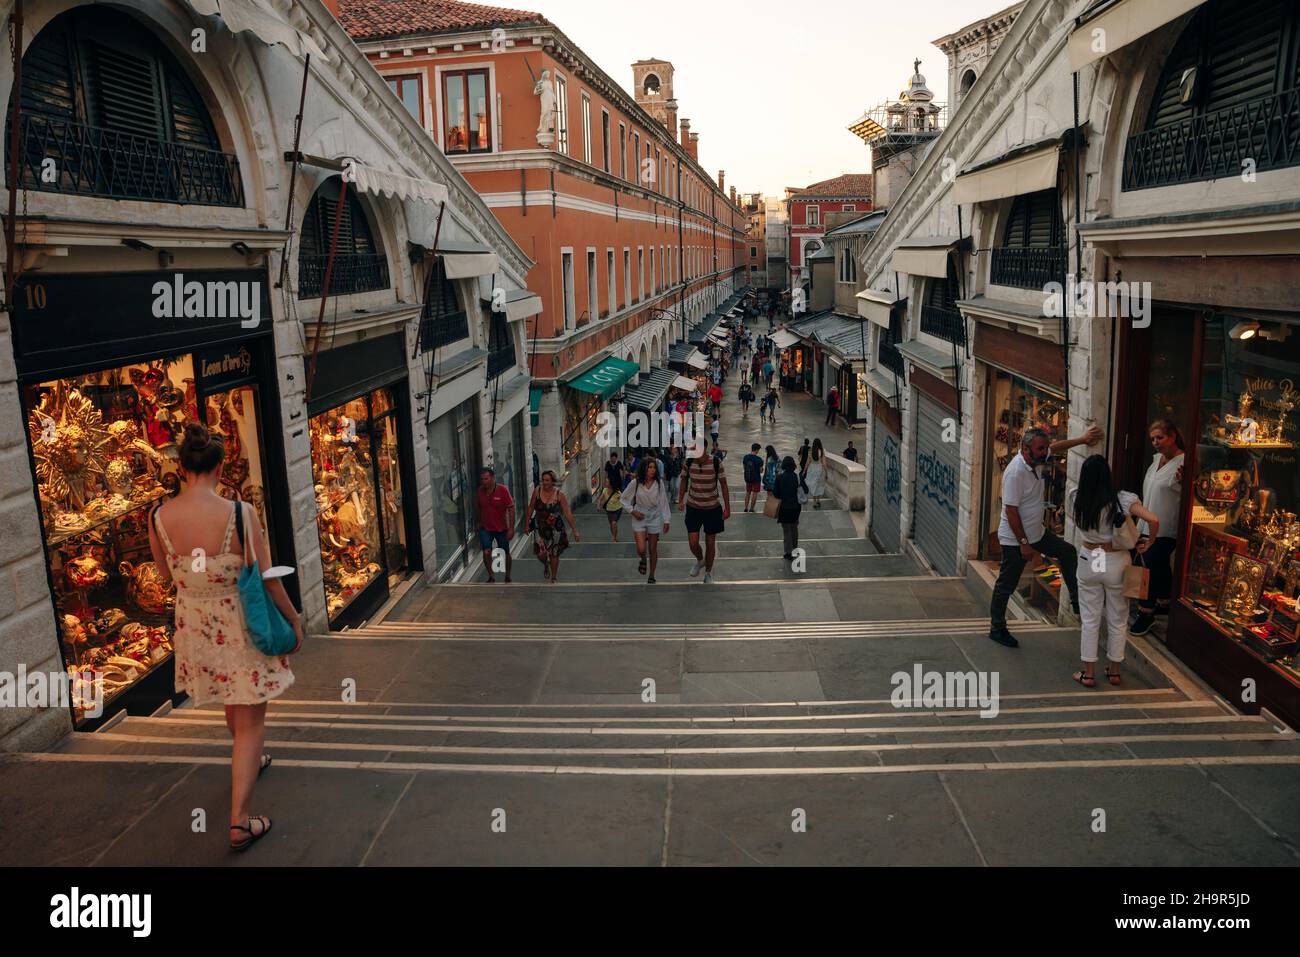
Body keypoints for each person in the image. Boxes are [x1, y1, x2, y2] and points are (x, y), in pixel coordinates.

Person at [146, 423, 301, 852]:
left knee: (234, 700)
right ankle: (239, 821)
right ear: (220, 465)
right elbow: (268, 577)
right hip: (237, 620)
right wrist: (294, 620)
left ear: (181, 467)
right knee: (252, 717)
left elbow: (166, 575)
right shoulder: (238, 514)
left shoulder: (157, 516)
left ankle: (247, 760)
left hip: (194, 623)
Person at [989, 425, 1103, 647]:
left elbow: (1057, 447)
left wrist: (1082, 439)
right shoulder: (1015, 473)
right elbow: (1010, 511)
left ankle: (1076, 601)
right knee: (1007, 584)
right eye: (1040, 449)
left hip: (1037, 533)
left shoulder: (1035, 458)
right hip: (1016, 538)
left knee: (1068, 552)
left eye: (1045, 448)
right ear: (1025, 449)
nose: (1045, 452)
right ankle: (997, 628)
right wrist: (1023, 544)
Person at [1068, 454, 1160, 687]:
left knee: (1090, 619)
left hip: (1090, 558)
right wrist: (1150, 541)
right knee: (1118, 618)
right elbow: (1154, 519)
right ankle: (1115, 671)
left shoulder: (1076, 496)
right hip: (1116, 560)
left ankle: (1088, 673)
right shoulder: (1122, 499)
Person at [1132, 419, 1185, 636]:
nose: (1155, 442)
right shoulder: (1156, 460)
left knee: (1150, 564)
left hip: (1166, 527)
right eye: (1153, 438)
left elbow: (1187, 492)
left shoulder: (1183, 463)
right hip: (1145, 524)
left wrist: (1185, 481)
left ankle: (1146, 612)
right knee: (1157, 563)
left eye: (1160, 437)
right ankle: (1165, 600)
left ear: (1172, 436)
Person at [678, 441, 730, 584]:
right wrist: (680, 499)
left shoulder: (716, 462)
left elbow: (724, 484)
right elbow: (683, 480)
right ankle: (700, 560)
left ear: (705, 449)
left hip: (712, 508)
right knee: (693, 542)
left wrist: (727, 507)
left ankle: (708, 573)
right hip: (693, 507)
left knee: (710, 543)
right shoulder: (689, 462)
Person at [527, 470, 580, 583]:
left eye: (547, 480)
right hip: (539, 527)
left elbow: (567, 513)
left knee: (554, 553)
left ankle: (554, 576)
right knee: (540, 554)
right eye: (543, 480)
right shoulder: (537, 491)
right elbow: (531, 507)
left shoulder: (559, 495)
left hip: (555, 528)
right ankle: (546, 564)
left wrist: (575, 530)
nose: (544, 483)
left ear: (553, 482)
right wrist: (527, 524)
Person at [627, 458, 672, 583]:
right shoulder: (636, 483)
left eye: (654, 468)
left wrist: (666, 520)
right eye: (650, 467)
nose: (652, 470)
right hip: (639, 514)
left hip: (654, 516)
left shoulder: (659, 483)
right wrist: (632, 511)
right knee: (641, 549)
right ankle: (642, 559)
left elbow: (663, 501)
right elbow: (624, 499)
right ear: (644, 469)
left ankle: (652, 575)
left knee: (653, 549)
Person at [476, 466, 516, 583]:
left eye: (486, 479)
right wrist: (478, 522)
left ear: (493, 478)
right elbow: (478, 507)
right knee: (486, 551)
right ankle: (491, 575)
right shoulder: (480, 491)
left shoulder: (503, 490)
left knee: (505, 551)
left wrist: (511, 528)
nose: (484, 482)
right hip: (485, 527)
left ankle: (507, 575)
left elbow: (511, 509)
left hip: (501, 527)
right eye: (482, 479)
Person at [772, 455, 809, 561]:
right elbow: (805, 490)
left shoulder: (779, 478)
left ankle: (788, 552)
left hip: (784, 507)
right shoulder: (798, 477)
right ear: (793, 465)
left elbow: (776, 494)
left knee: (786, 529)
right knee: (794, 527)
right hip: (796, 507)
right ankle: (794, 549)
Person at [604, 452, 626, 543]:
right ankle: (614, 535)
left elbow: (622, 471)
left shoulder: (619, 463)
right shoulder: (608, 464)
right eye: (612, 458)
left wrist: (623, 477)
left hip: (617, 483)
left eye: (614, 458)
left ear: (616, 458)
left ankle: (614, 537)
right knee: (611, 523)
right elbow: (606, 473)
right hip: (610, 483)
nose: (613, 459)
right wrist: (605, 482)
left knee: (613, 522)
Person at [742, 443, 765, 512]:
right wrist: (762, 469)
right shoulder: (759, 459)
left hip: (748, 478)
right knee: (755, 493)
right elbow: (761, 471)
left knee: (748, 492)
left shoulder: (745, 457)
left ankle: (746, 508)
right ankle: (752, 508)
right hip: (756, 479)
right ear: (757, 450)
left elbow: (744, 468)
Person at [806, 438, 827, 509]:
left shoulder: (810, 451)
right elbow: (824, 464)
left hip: (812, 469)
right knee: (819, 485)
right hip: (819, 469)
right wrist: (826, 473)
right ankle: (818, 500)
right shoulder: (821, 451)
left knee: (813, 485)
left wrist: (804, 471)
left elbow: (807, 462)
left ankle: (814, 501)